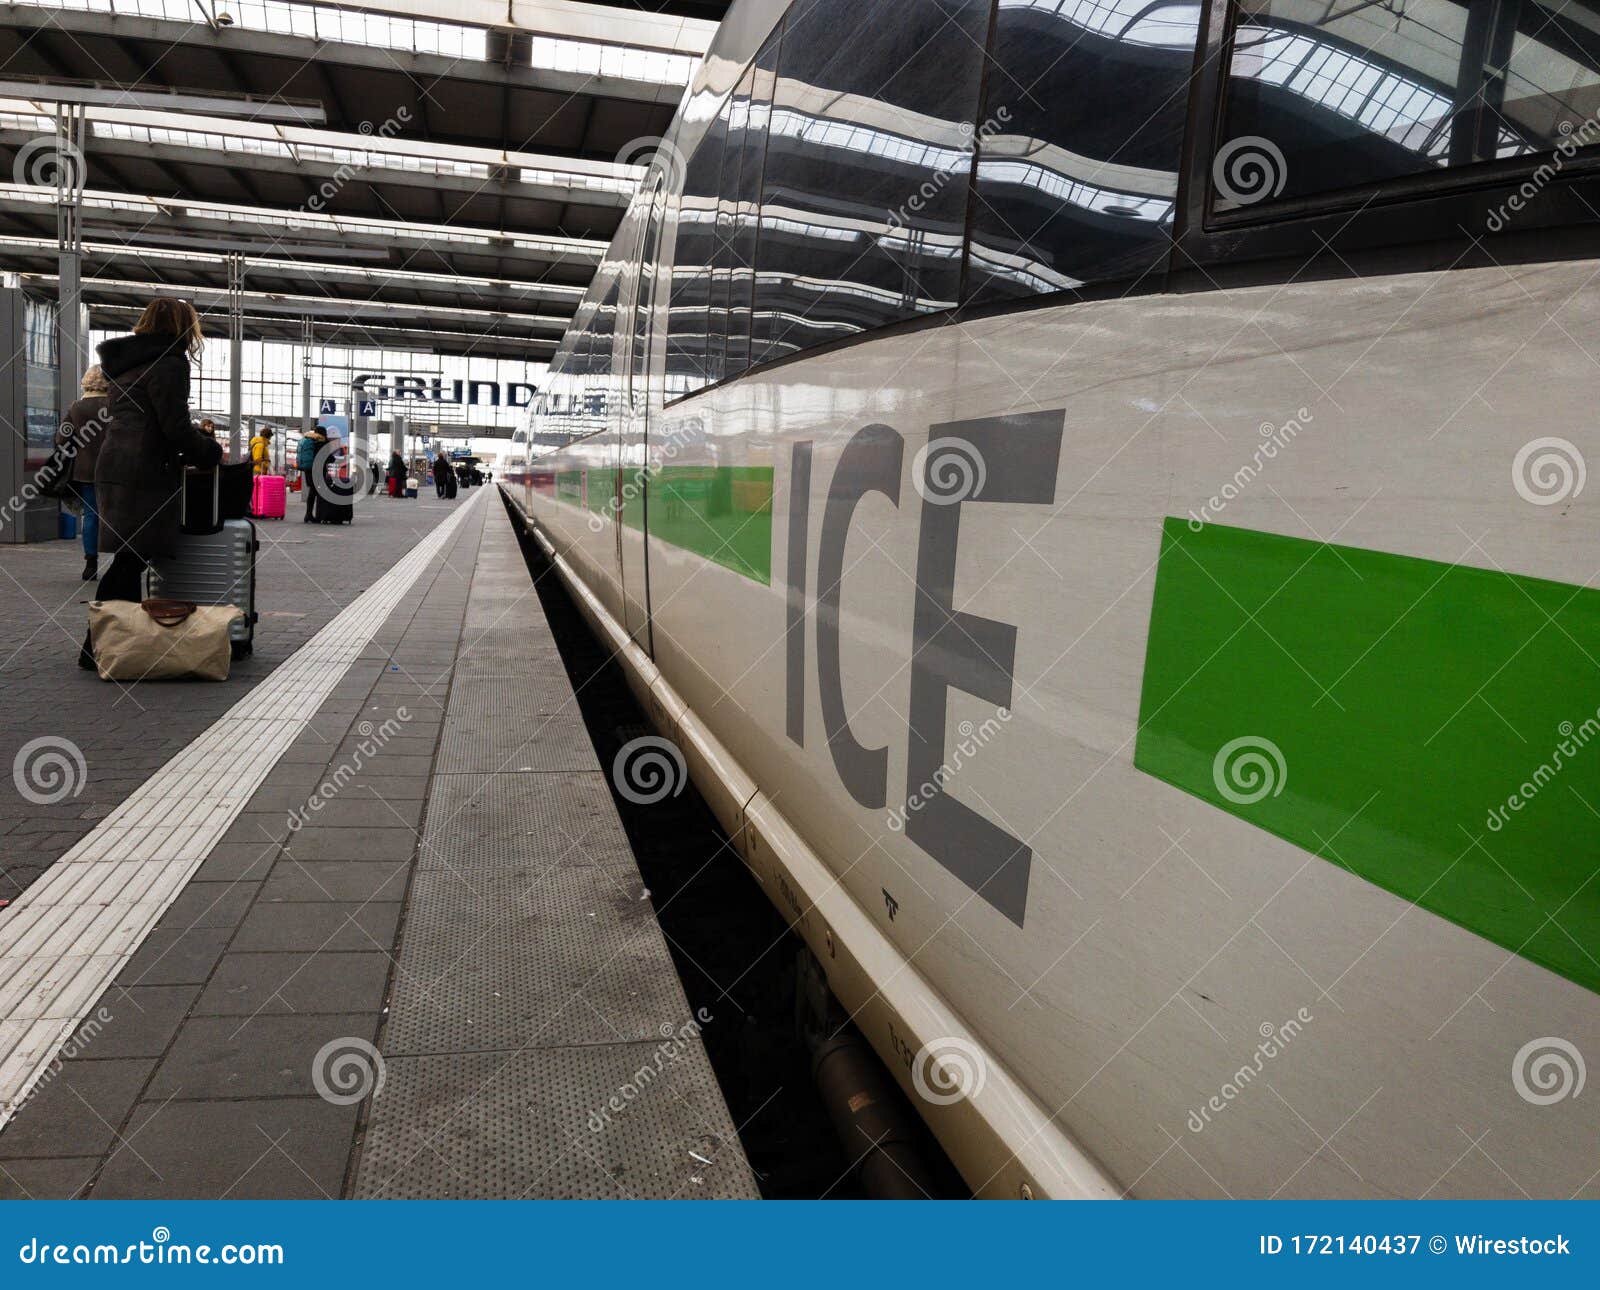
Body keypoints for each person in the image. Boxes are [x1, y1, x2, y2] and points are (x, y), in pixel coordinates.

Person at [80, 299, 221, 670]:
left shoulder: (127, 362)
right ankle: (97, 646)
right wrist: (208, 451)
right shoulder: (169, 363)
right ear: (183, 327)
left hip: (115, 464)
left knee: (129, 558)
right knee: (130, 560)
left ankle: (99, 644)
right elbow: (172, 425)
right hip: (143, 471)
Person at [58, 366, 112, 582]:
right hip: (114, 469)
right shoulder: (115, 405)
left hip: (85, 470)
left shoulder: (77, 407)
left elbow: (61, 439)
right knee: (119, 514)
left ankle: (91, 564)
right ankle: (123, 562)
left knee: (91, 515)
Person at [297, 427, 328, 522]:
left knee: (312, 492)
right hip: (318, 471)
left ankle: (308, 514)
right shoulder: (322, 442)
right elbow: (329, 458)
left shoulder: (309, 440)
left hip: (309, 470)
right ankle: (318, 516)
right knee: (319, 493)